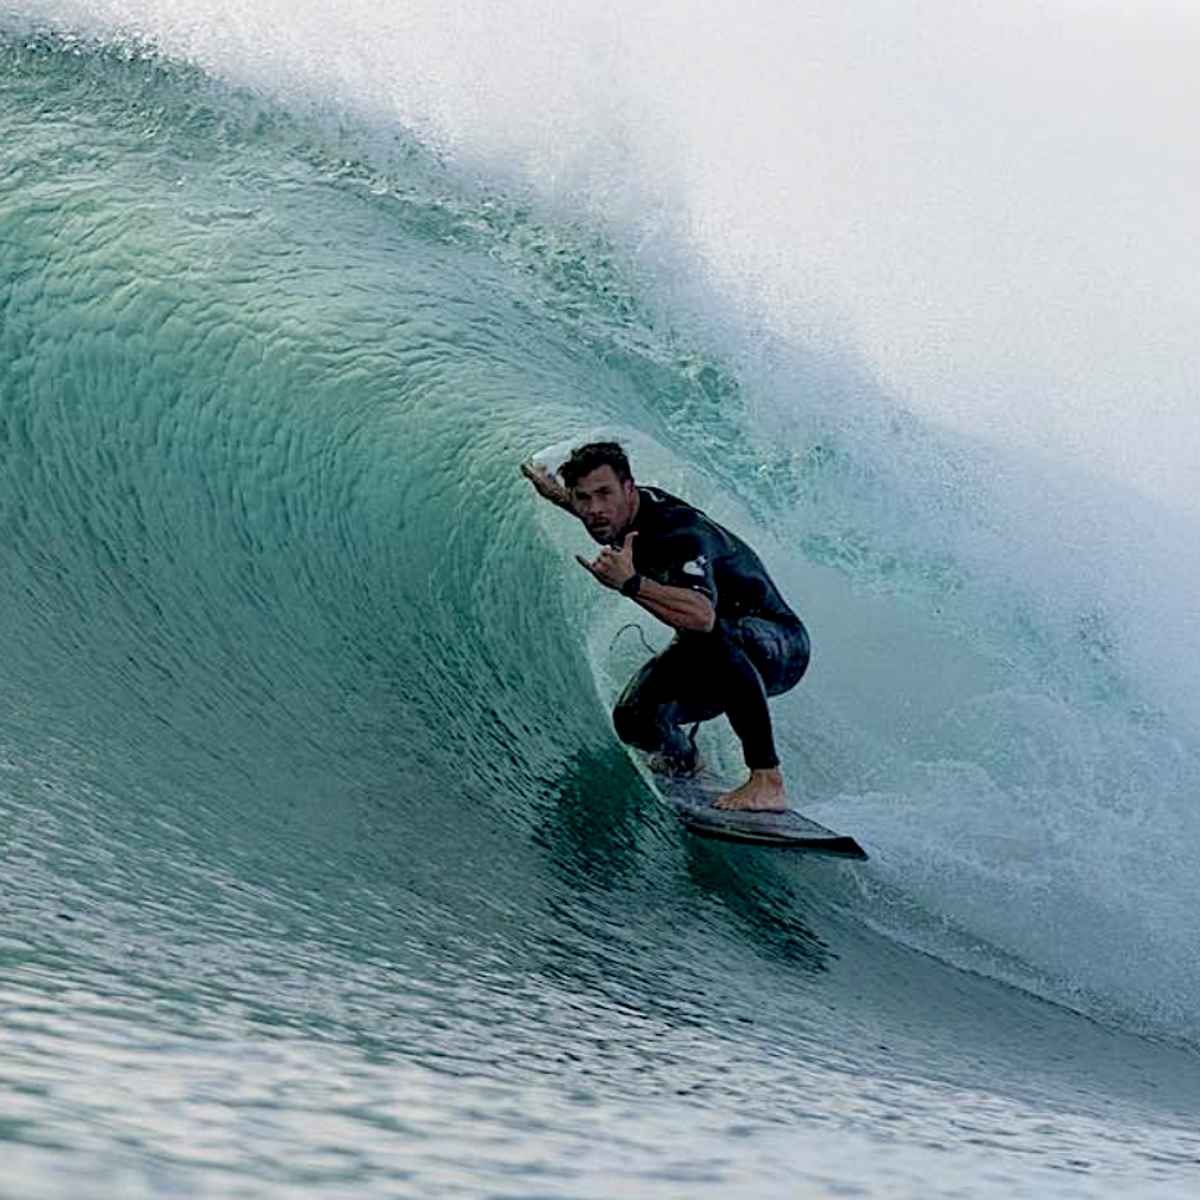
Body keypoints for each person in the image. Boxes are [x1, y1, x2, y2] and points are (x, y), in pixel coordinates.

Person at [521, 441, 810, 812]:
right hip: (719, 654)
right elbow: (600, 511)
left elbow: (703, 616)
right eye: (583, 498)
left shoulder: (678, 533)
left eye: (604, 494)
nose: (594, 510)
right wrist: (558, 495)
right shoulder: (620, 516)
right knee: (634, 720)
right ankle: (686, 759)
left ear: (630, 488)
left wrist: (632, 584)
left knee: (711, 633)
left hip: (778, 646)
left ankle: (767, 780)